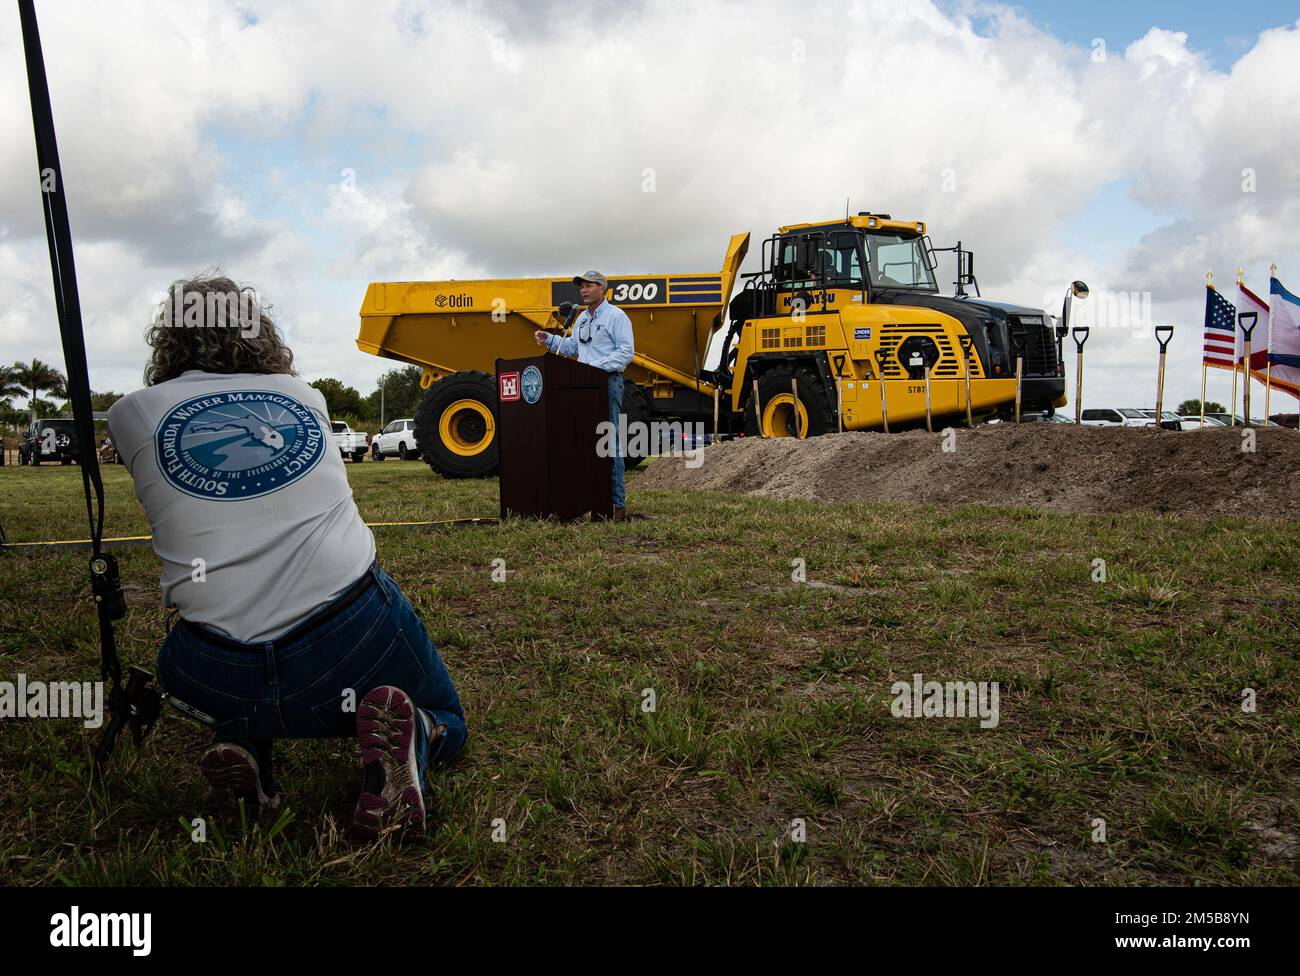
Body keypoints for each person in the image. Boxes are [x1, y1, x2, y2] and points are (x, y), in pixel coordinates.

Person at [106, 273, 466, 838]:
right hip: (351, 635)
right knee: (452, 718)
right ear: (260, 335)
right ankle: (421, 730)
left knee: (201, 646)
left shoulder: (130, 413)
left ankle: (246, 747)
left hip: (212, 665)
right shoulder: (306, 398)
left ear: (169, 342)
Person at [533, 271, 635, 519]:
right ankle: (587, 501)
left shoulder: (616, 316)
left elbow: (626, 353)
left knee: (608, 443)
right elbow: (572, 348)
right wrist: (549, 339)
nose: (583, 290)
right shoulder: (580, 320)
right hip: (581, 387)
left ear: (603, 289)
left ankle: (615, 505)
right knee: (582, 443)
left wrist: (593, 368)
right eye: (581, 286)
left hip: (607, 384)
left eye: (589, 285)